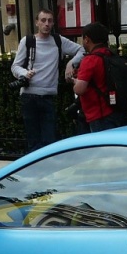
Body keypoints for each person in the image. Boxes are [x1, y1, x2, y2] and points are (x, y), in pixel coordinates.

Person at [11, 8, 84, 153]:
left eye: (50, 21)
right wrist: (25, 73)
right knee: (33, 139)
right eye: (43, 20)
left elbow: (82, 50)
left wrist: (71, 63)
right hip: (29, 95)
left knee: (49, 139)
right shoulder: (28, 41)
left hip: (48, 96)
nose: (47, 24)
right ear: (37, 23)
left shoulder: (58, 40)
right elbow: (15, 66)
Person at [72, 22, 121, 133]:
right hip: (114, 110)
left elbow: (79, 89)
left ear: (87, 39)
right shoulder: (109, 54)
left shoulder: (90, 60)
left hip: (98, 114)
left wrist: (74, 81)